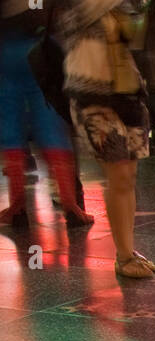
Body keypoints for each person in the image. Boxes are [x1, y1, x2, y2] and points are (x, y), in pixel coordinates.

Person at [57, 0, 155, 277]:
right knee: (119, 174)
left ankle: (128, 251)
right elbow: (77, 20)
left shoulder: (127, 4)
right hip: (93, 97)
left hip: (129, 93)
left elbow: (137, 36)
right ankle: (124, 257)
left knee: (129, 176)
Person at [0, 0, 93, 227]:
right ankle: (70, 204)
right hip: (40, 49)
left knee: (10, 129)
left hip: (6, 52)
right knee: (50, 123)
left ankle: (18, 207)